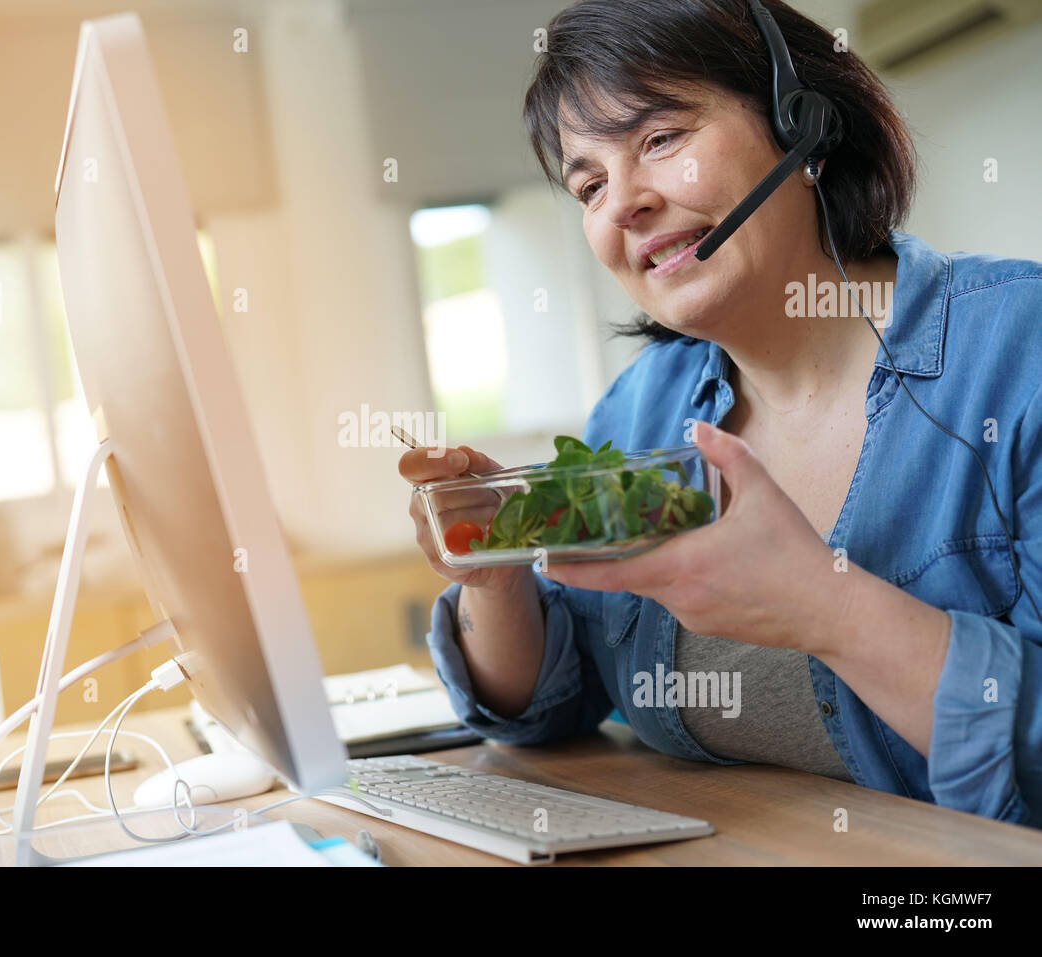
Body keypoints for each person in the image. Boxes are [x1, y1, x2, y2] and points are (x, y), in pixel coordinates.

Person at [399, 0, 1042, 827]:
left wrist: (825, 606)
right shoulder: (640, 410)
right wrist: (494, 577)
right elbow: (549, 704)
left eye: (660, 140)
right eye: (589, 183)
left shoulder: (1018, 354)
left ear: (801, 126)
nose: (622, 203)